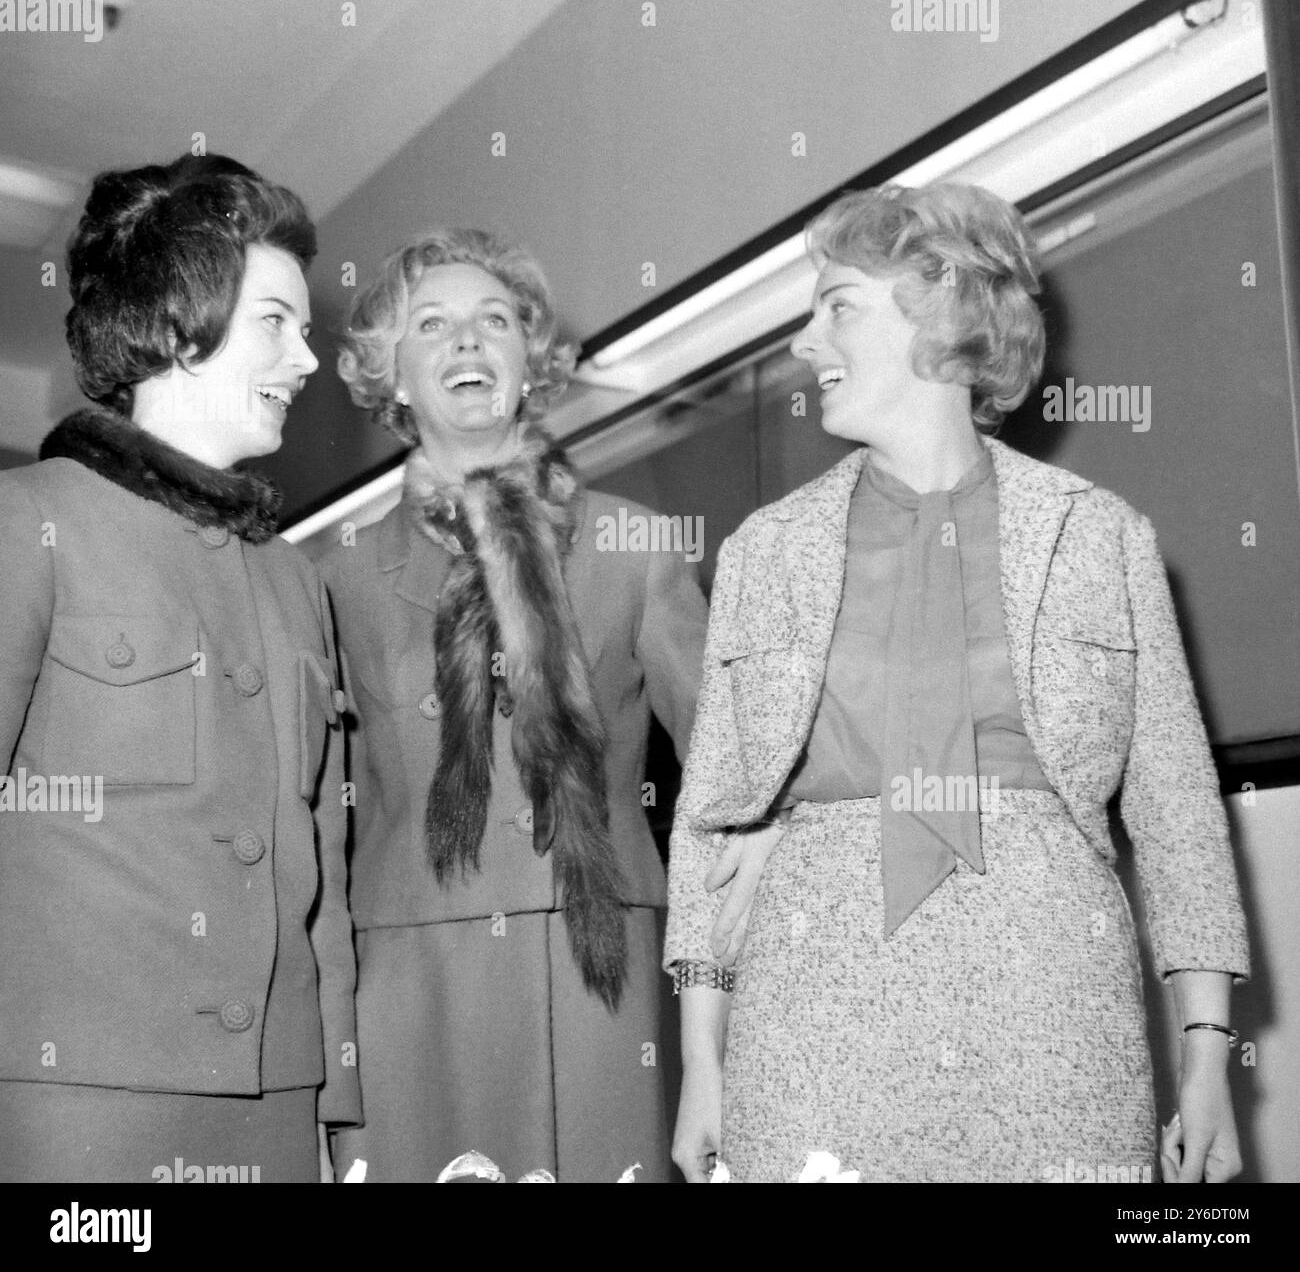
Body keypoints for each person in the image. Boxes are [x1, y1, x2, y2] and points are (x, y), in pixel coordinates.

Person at [665, 182, 1250, 1184]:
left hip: (1055, 1020)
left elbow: (1177, 814)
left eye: (836, 303)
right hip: (815, 1017)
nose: (805, 342)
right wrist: (699, 1064)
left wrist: (1206, 1062)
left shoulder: (1098, 534)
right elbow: (709, 825)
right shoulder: (767, 551)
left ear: (939, 305)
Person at [0, 153, 360, 1181]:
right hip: (72, 1112)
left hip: (278, 1109)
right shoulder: (31, 526)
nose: (307, 360)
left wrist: (339, 1113)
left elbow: (321, 880)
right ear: (180, 318)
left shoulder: (297, 583)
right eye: (277, 324)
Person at [323, 228, 708, 1182]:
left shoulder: (635, 545)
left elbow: (726, 789)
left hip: (604, 972)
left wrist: (722, 1009)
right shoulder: (334, 579)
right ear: (392, 377)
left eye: (494, 321)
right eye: (433, 324)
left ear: (530, 362)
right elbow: (316, 834)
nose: (468, 341)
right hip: (411, 982)